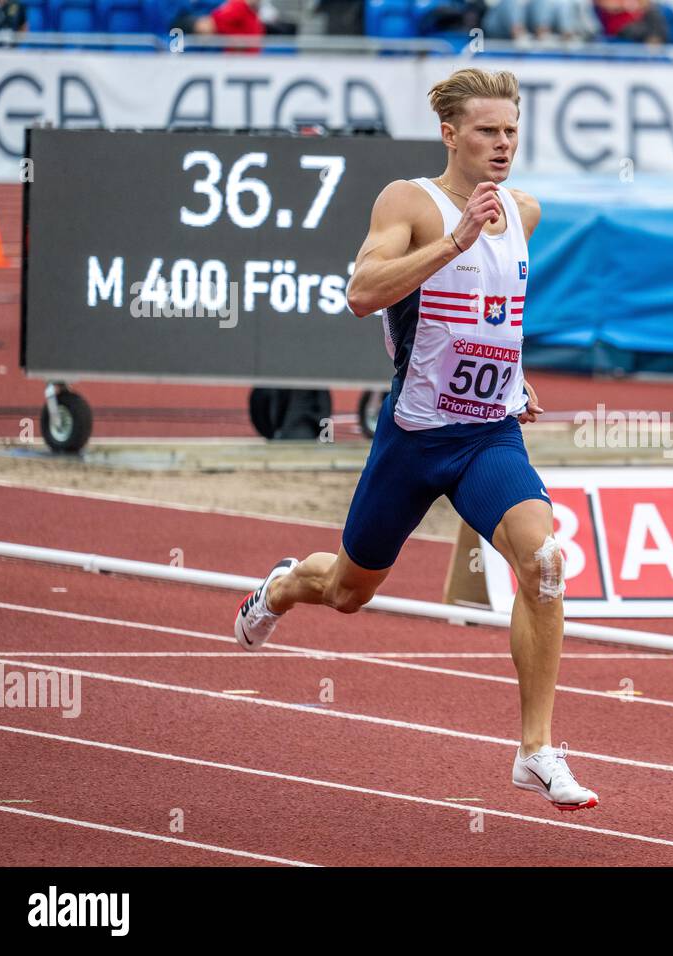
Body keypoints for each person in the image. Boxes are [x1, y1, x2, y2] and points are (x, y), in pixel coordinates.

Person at [233, 68, 600, 813]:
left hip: (487, 437)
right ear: (450, 134)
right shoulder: (410, 201)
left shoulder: (525, 212)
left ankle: (536, 751)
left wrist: (513, 375)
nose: (503, 144)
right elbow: (363, 293)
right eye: (487, 131)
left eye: (511, 129)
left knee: (546, 558)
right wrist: (454, 241)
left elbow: (496, 312)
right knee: (346, 592)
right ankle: (282, 583)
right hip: (413, 437)